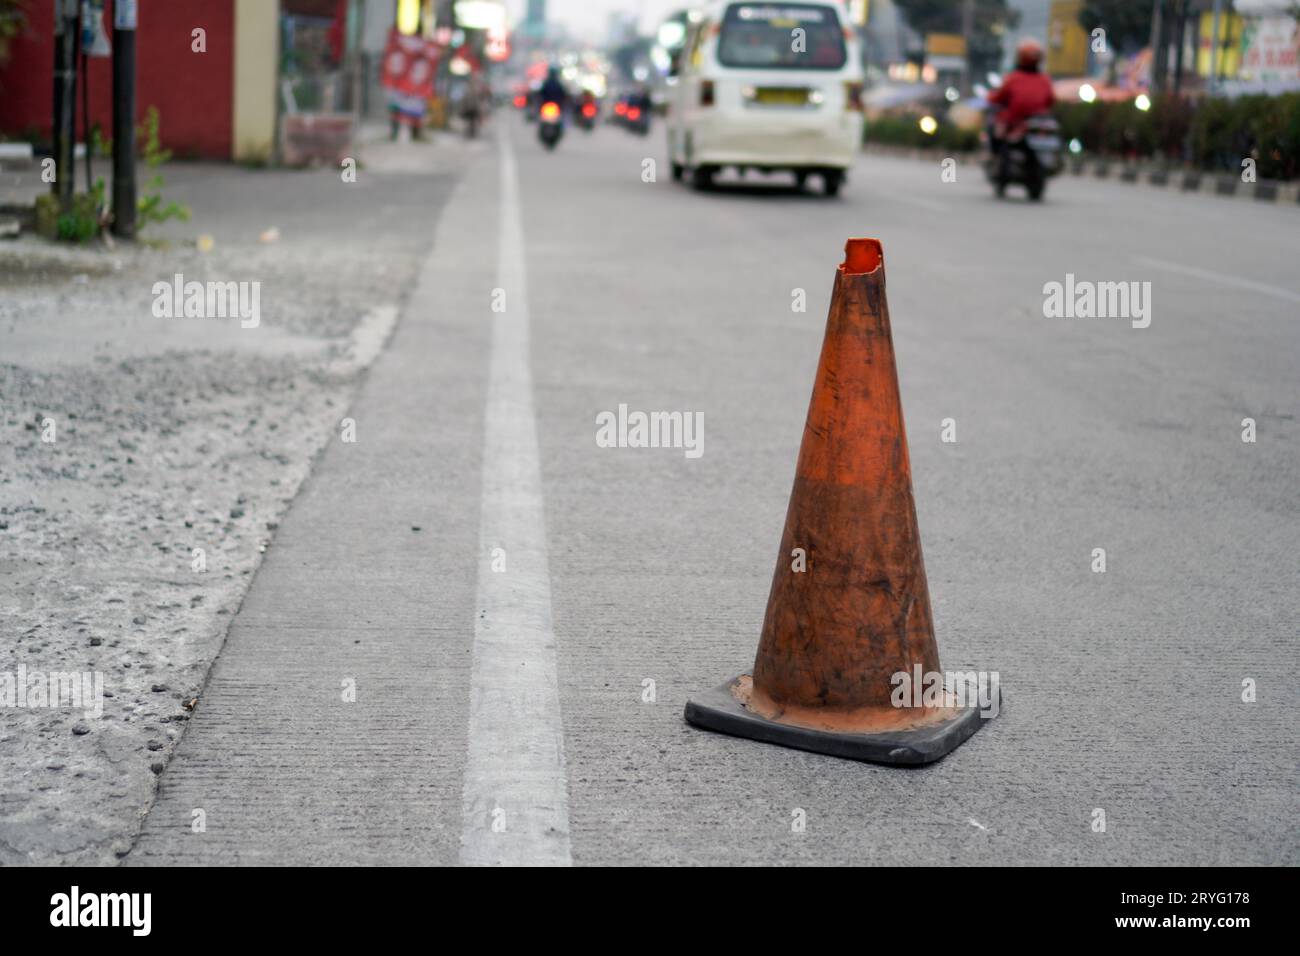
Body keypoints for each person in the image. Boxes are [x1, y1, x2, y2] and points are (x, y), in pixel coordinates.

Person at [988, 38, 1055, 141]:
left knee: (997, 130)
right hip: (1039, 122)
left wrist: (989, 96)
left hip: (1015, 121)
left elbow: (998, 97)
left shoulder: (1013, 78)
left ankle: (996, 153)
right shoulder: (1045, 80)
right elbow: (1051, 100)